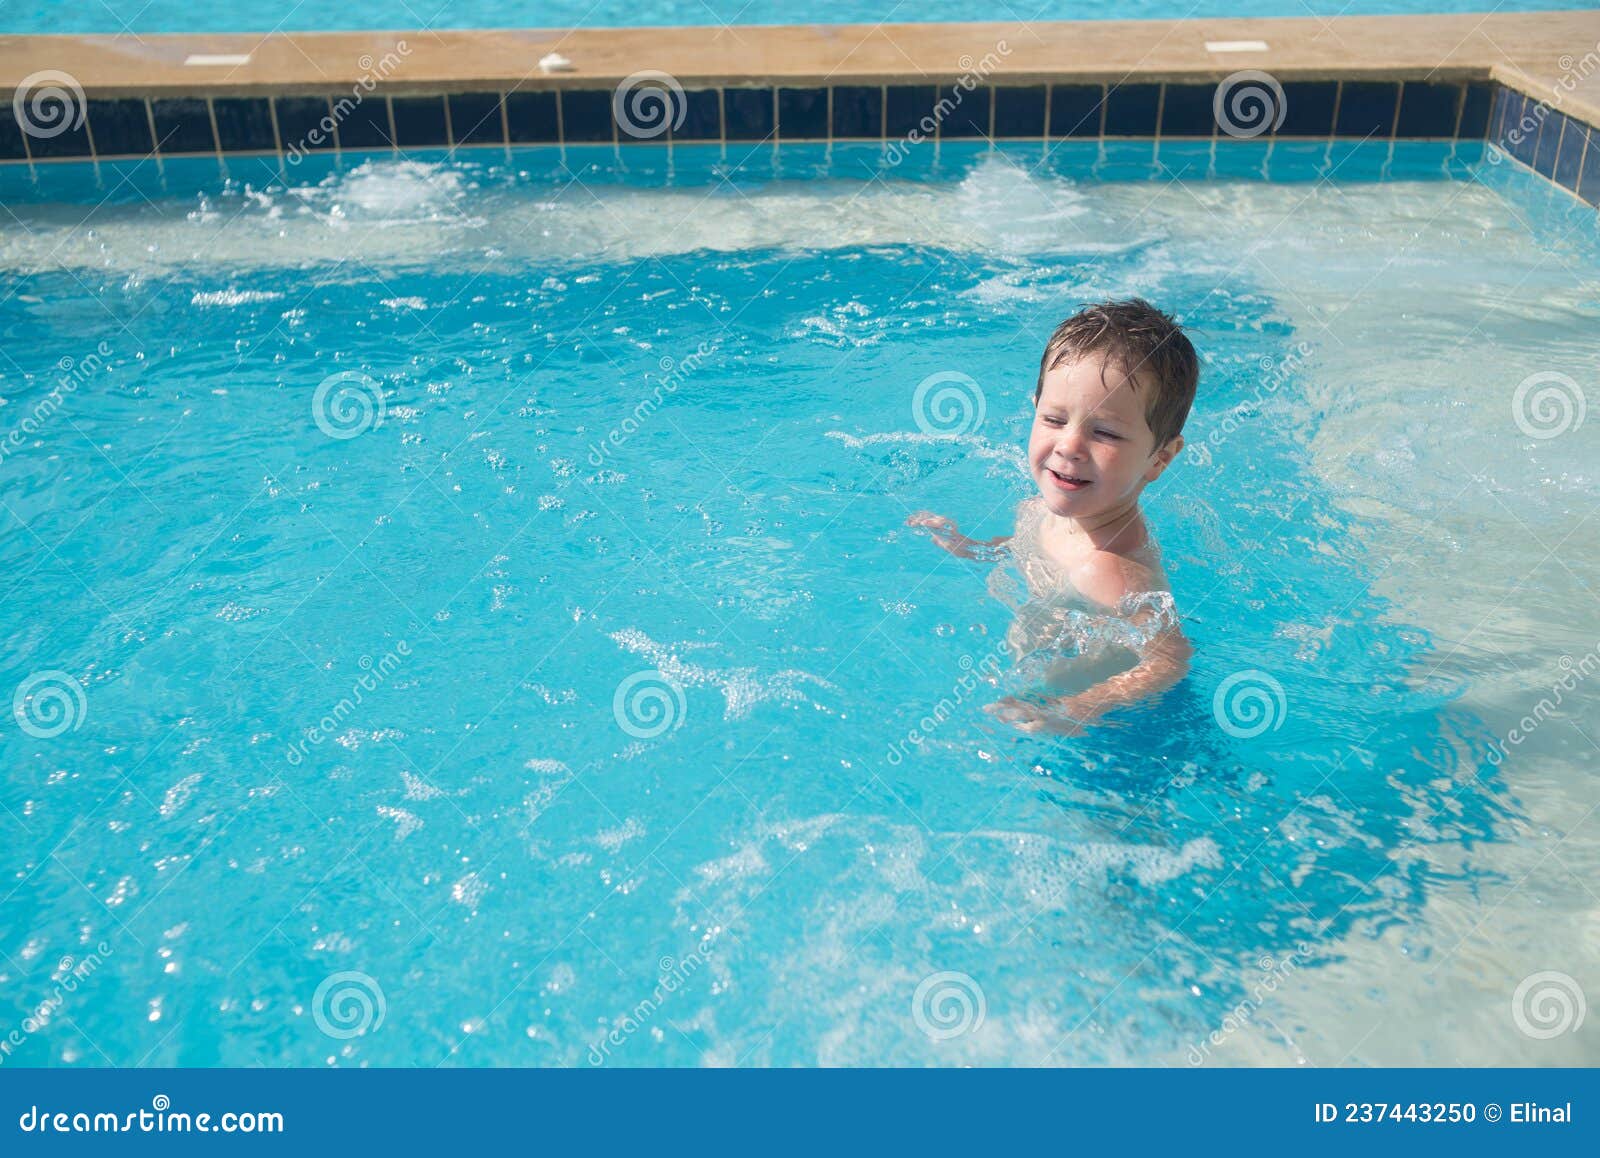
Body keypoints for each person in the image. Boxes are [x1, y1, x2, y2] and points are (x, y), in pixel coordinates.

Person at [908, 298, 1199, 734]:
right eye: (1054, 419)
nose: (1069, 446)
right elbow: (1028, 551)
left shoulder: (1112, 571)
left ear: (1159, 459)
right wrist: (978, 549)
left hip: (1116, 732)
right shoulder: (1039, 509)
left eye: (1104, 432)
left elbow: (1171, 658)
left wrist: (1083, 706)